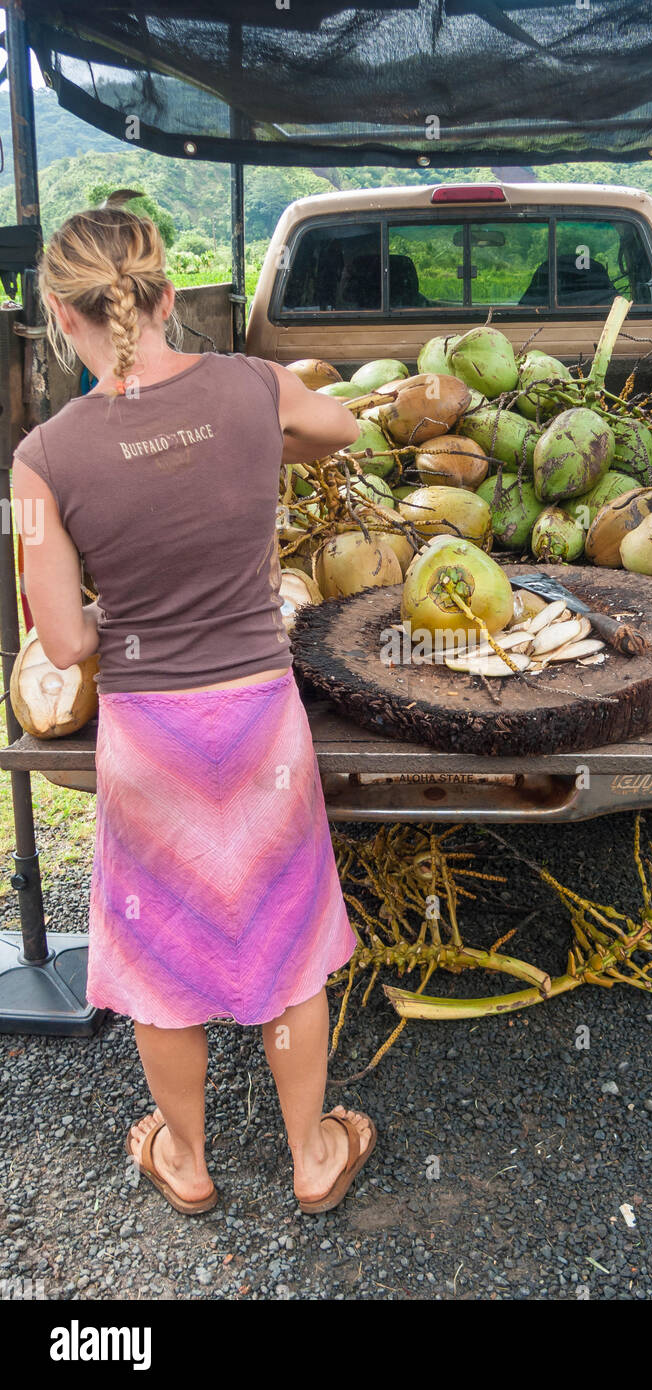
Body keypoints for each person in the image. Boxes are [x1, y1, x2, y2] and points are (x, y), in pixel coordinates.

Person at [12, 207, 376, 1216]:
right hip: (262, 719)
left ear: (57, 311)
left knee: (157, 955)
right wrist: (265, 455)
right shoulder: (252, 389)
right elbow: (342, 427)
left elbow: (66, 643)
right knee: (289, 936)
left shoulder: (41, 459)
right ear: (167, 294)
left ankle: (186, 1157)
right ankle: (311, 1155)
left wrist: (110, 594)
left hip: (148, 739)